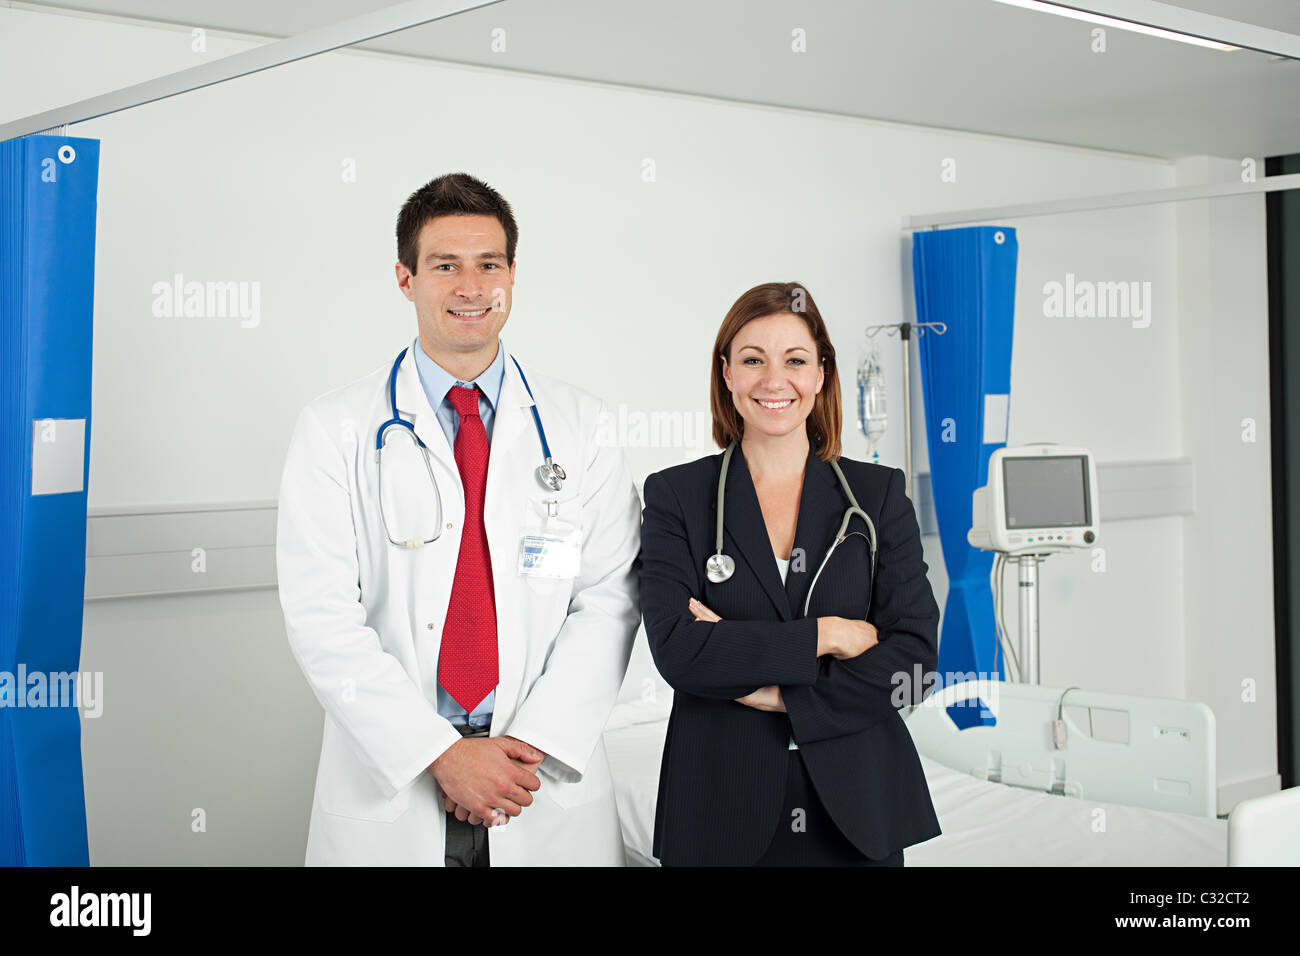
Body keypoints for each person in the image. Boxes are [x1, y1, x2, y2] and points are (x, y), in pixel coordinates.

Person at [275, 173, 641, 866]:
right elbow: (320, 615)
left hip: (533, 778)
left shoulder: (580, 424)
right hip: (397, 774)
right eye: (446, 265)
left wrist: (521, 752)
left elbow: (610, 599)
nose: (471, 286)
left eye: (489, 265)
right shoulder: (335, 427)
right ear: (405, 279)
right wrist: (440, 754)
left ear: (512, 275)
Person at [638, 281, 942, 866]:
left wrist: (778, 695)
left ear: (821, 372)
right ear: (726, 373)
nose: (774, 381)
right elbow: (680, 652)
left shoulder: (876, 496)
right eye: (753, 360)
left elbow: (914, 661)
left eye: (795, 360)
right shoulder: (677, 495)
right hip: (720, 805)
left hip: (858, 806)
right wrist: (830, 634)